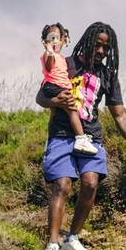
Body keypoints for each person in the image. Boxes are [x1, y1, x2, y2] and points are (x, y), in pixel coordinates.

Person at [35, 21, 126, 250]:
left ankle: (71, 238)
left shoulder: (108, 75)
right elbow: (41, 96)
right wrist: (56, 100)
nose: (100, 51)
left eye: (105, 48)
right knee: (62, 186)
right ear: (87, 41)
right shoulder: (67, 64)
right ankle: (53, 245)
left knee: (90, 184)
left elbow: (119, 114)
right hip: (62, 134)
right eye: (96, 45)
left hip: (92, 137)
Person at [39, 22, 98, 155]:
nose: (54, 41)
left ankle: (50, 139)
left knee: (54, 113)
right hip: (54, 86)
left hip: (57, 86)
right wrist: (48, 50)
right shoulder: (49, 55)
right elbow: (48, 67)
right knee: (72, 109)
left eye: (57, 38)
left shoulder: (61, 58)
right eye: (51, 38)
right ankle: (80, 138)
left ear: (63, 40)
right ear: (45, 41)